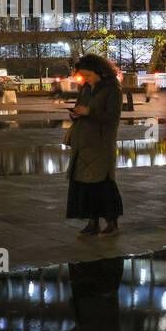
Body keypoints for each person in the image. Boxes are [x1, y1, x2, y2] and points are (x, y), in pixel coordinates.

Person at [66, 53, 124, 236]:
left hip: (101, 143)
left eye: (89, 75)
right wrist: (75, 113)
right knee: (84, 185)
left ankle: (112, 222)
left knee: (102, 183)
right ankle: (92, 222)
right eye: (84, 76)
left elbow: (112, 116)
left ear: (99, 71)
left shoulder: (112, 89)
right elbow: (80, 107)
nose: (86, 79)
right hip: (83, 142)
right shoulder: (85, 88)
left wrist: (89, 111)